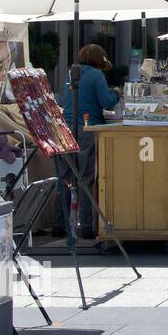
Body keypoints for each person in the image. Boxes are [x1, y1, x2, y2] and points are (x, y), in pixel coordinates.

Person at [58, 44, 121, 237]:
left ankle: (59, 223)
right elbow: (106, 102)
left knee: (65, 177)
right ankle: (86, 226)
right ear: (99, 60)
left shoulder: (71, 73)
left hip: (66, 128)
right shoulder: (96, 75)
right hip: (87, 128)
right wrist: (117, 93)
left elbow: (62, 101)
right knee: (86, 178)